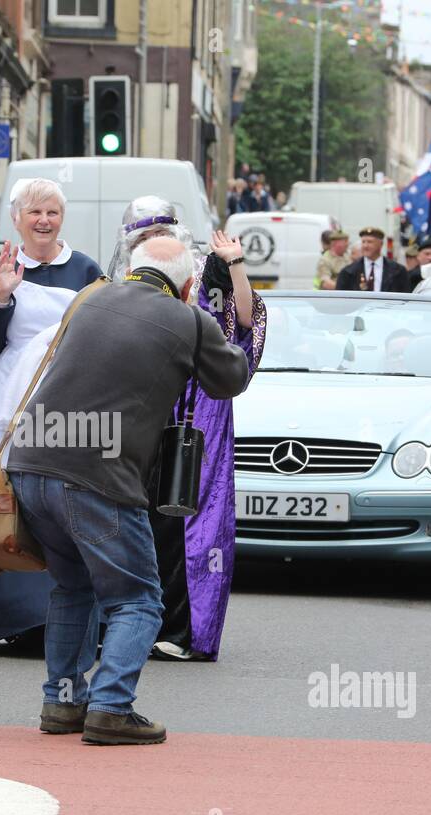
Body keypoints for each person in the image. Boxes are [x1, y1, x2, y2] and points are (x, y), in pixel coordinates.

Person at [8, 234, 252, 745]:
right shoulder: (188, 318)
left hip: (31, 461)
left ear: (132, 268)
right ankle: (111, 708)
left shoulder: (91, 297)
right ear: (187, 285)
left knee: (73, 587)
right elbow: (231, 378)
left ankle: (63, 701)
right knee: (139, 599)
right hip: (98, 475)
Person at [0, 177, 104, 645]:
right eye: (34, 213)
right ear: (16, 220)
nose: (44, 221)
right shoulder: (0, 269)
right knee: (8, 496)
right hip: (7, 395)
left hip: (64, 394)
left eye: (52, 213)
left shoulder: (85, 269)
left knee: (58, 499)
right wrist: (1, 296)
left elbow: (99, 335)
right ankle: (5, 616)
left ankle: (59, 618)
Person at [150, 228, 267, 663]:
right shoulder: (148, 280)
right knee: (151, 522)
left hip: (199, 418)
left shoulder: (214, 282)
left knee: (191, 522)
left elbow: (248, 317)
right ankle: (141, 624)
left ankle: (185, 631)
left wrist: (234, 263)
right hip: (154, 408)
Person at [335, 227, 409, 292]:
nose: (365, 246)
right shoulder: (348, 272)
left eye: (370, 242)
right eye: (363, 242)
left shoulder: (398, 271)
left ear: (381, 244)